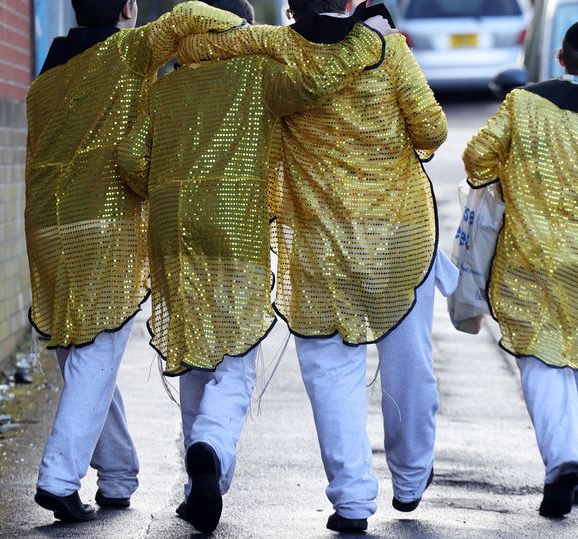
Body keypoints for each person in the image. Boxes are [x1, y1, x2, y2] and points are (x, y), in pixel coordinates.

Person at [177, 0, 455, 531]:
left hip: (319, 246)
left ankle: (351, 501)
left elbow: (193, 49)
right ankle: (411, 478)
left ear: (290, 6)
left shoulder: (279, 51)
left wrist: (246, 32)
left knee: (331, 372)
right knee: (408, 364)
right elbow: (432, 132)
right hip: (398, 238)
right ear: (347, 2)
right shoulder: (386, 48)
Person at [119, 0, 393, 531]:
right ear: (240, 30)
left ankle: (200, 481)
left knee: (194, 353)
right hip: (234, 229)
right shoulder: (259, 74)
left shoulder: (164, 86)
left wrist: (167, 188)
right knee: (236, 358)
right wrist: (366, 42)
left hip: (172, 233)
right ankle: (210, 449)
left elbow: (132, 162)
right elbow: (314, 86)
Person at [24, 0, 243, 523]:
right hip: (101, 225)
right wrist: (250, 31)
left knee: (80, 356)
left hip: (44, 228)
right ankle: (58, 476)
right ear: (128, 7)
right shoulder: (130, 50)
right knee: (97, 353)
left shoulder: (43, 78)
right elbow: (191, 12)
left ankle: (118, 473)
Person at [463, 17, 578, 517]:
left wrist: (510, 177)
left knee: (537, 357)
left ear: (560, 58)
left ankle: (565, 460)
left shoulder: (523, 103)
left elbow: (476, 156)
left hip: (526, 252)